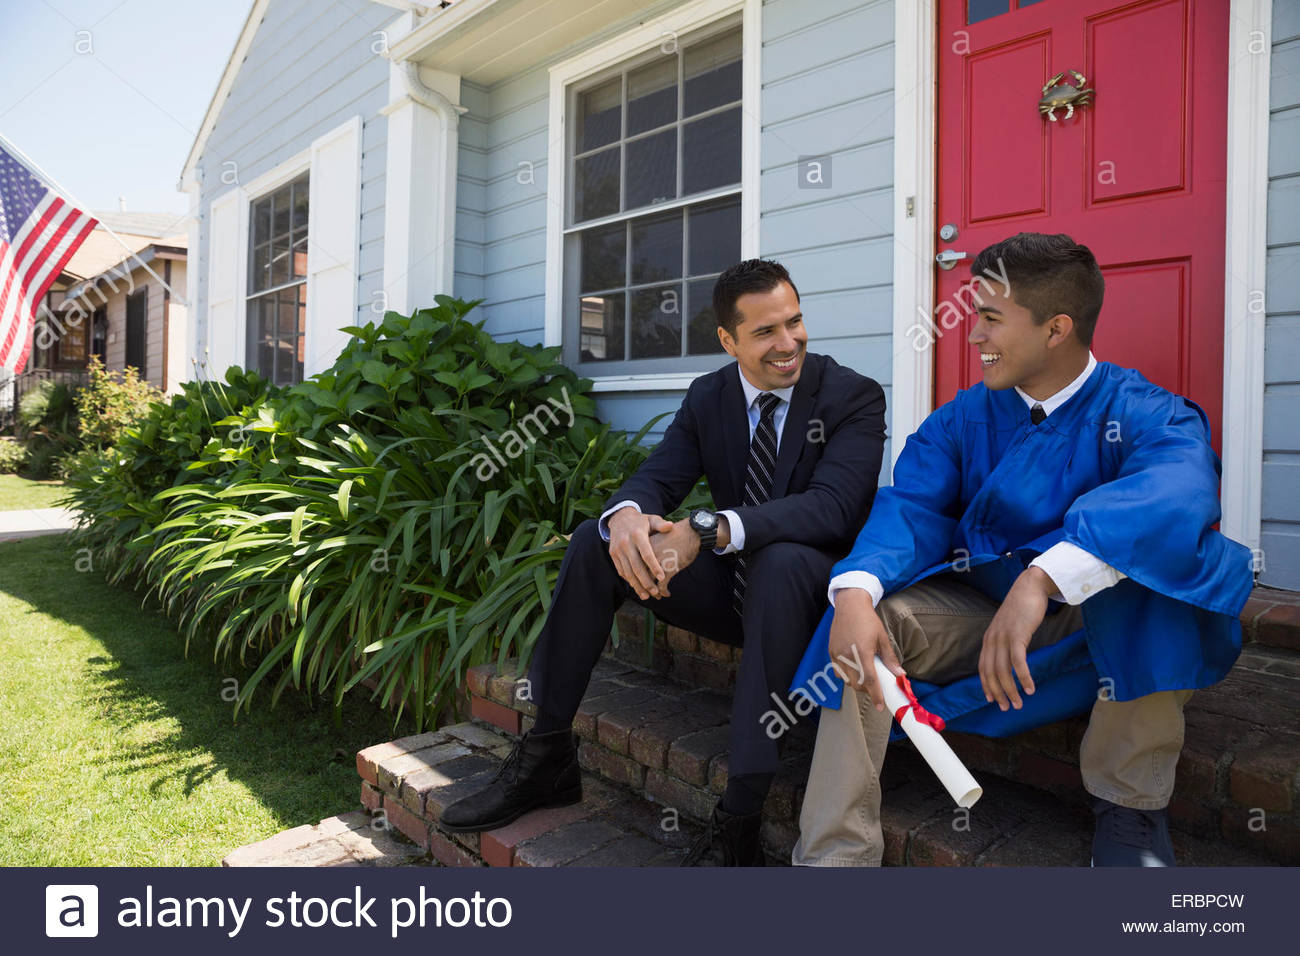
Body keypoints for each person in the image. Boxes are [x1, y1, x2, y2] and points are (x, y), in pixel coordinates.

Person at [789, 232, 1253, 868]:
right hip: (985, 616)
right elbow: (912, 507)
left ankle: (1131, 813)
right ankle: (833, 857)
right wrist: (856, 588)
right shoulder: (965, 418)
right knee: (873, 623)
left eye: (990, 319)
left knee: (1163, 577)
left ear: (1057, 328)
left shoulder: (1144, 412)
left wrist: (1043, 578)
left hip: (1102, 630)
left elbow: (1176, 492)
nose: (972, 336)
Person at [440, 258, 887, 865]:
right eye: (766, 332)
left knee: (780, 563)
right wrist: (626, 514)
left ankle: (740, 820)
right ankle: (545, 755)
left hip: (808, 600)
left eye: (796, 321)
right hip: (735, 593)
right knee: (594, 544)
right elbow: (660, 475)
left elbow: (834, 509)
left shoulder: (851, 396)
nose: (789, 343)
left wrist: (708, 527)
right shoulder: (711, 396)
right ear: (728, 340)